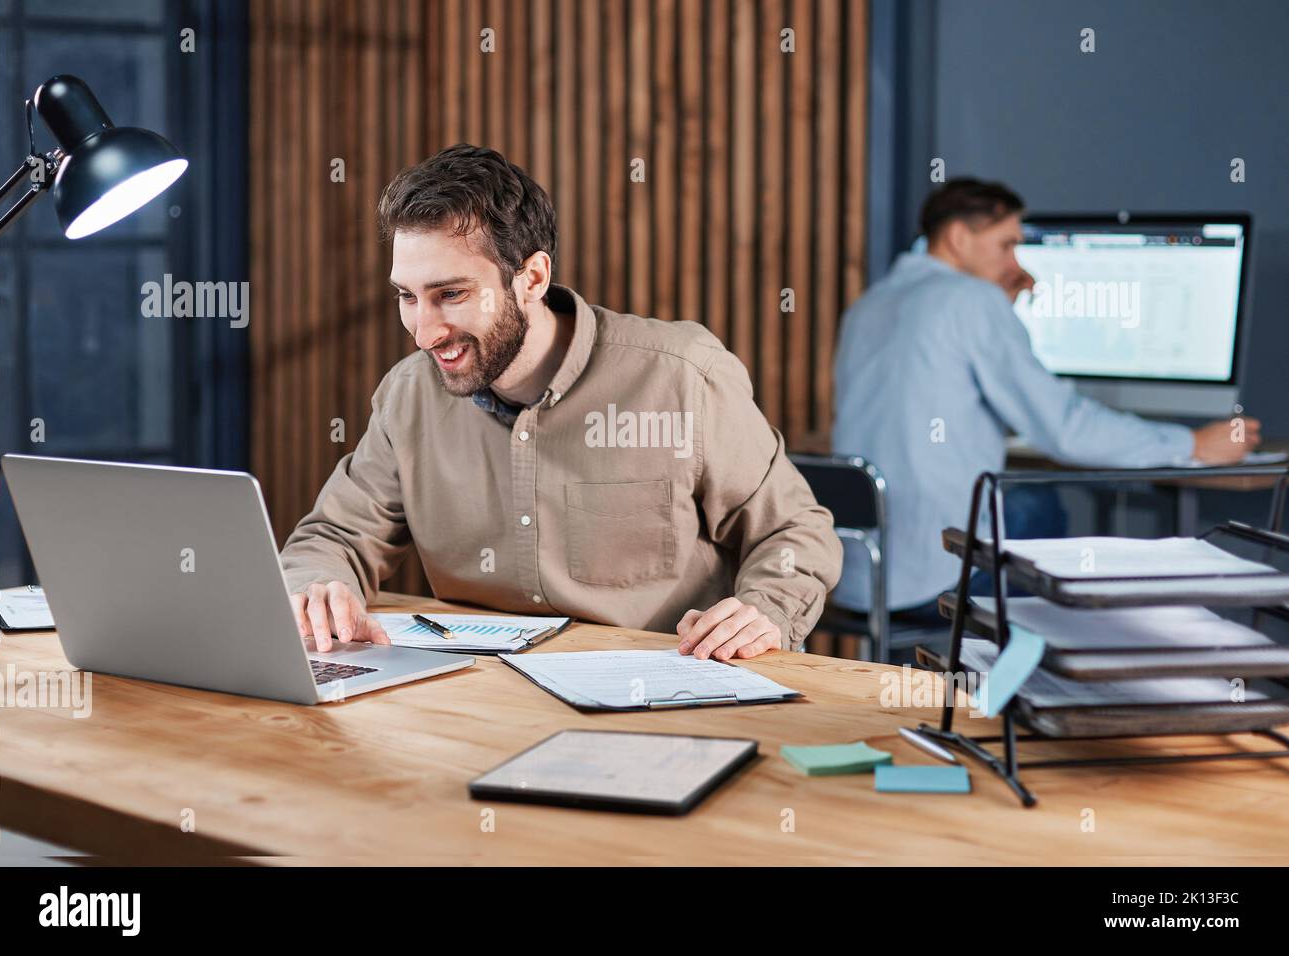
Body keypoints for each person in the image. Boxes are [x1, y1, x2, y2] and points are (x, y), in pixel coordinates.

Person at [281, 144, 843, 661]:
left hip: (659, 703)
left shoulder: (681, 377)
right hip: (473, 702)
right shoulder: (409, 396)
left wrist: (765, 609)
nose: (424, 331)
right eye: (407, 297)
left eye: (450, 294)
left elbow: (796, 533)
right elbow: (334, 537)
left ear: (532, 277)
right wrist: (317, 587)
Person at [831, 178, 1259, 621]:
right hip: (934, 577)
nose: (1017, 260)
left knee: (1019, 506)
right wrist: (1193, 445)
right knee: (1040, 507)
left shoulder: (871, 302)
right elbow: (1065, 431)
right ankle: (1040, 676)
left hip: (862, 576)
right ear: (959, 238)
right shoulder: (970, 299)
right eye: (1007, 244)